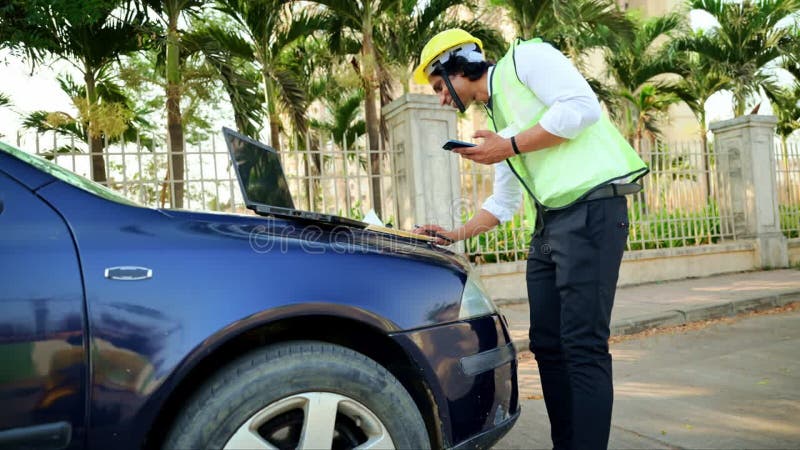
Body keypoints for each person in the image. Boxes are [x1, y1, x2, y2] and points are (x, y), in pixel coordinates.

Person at [412, 29, 648, 450]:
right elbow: (504, 201)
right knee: (546, 343)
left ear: (458, 66)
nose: (441, 98)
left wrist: (511, 145)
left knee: (583, 345)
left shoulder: (528, 59)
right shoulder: (498, 120)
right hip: (550, 223)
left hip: (593, 209)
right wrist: (456, 234)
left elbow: (582, 109)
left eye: (437, 87)